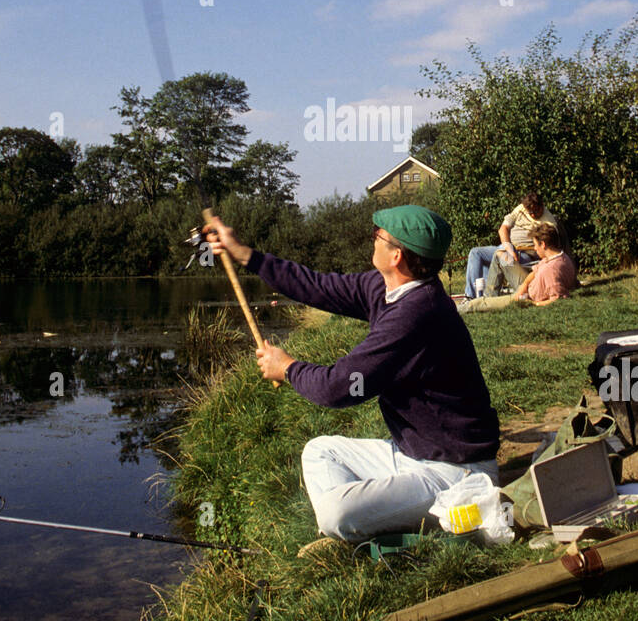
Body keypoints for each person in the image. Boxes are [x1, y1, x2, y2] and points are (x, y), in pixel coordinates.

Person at [203, 206, 500, 549]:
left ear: (397, 255)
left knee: (335, 513)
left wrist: (287, 368)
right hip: (410, 454)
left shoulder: (417, 313)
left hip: (454, 471)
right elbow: (316, 287)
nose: (372, 238)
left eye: (378, 235)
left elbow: (340, 387)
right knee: (319, 451)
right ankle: (365, 524)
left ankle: (383, 524)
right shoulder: (387, 286)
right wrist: (244, 255)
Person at [464, 192, 557, 298]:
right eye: (529, 212)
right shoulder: (521, 209)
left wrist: (512, 252)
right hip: (508, 246)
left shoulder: (549, 222)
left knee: (498, 257)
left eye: (535, 211)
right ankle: (470, 296)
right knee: (476, 253)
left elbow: (547, 249)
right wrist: (508, 247)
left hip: (524, 254)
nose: (532, 214)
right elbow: (503, 228)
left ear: (542, 206)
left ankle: (488, 297)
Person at [511, 222, 576, 305]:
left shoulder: (550, 270)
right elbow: (534, 272)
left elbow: (557, 298)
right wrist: (524, 285)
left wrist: (534, 303)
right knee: (499, 256)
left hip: (528, 296)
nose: (535, 248)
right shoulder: (559, 257)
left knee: (489, 303)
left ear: (543, 244)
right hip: (525, 290)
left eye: (535, 245)